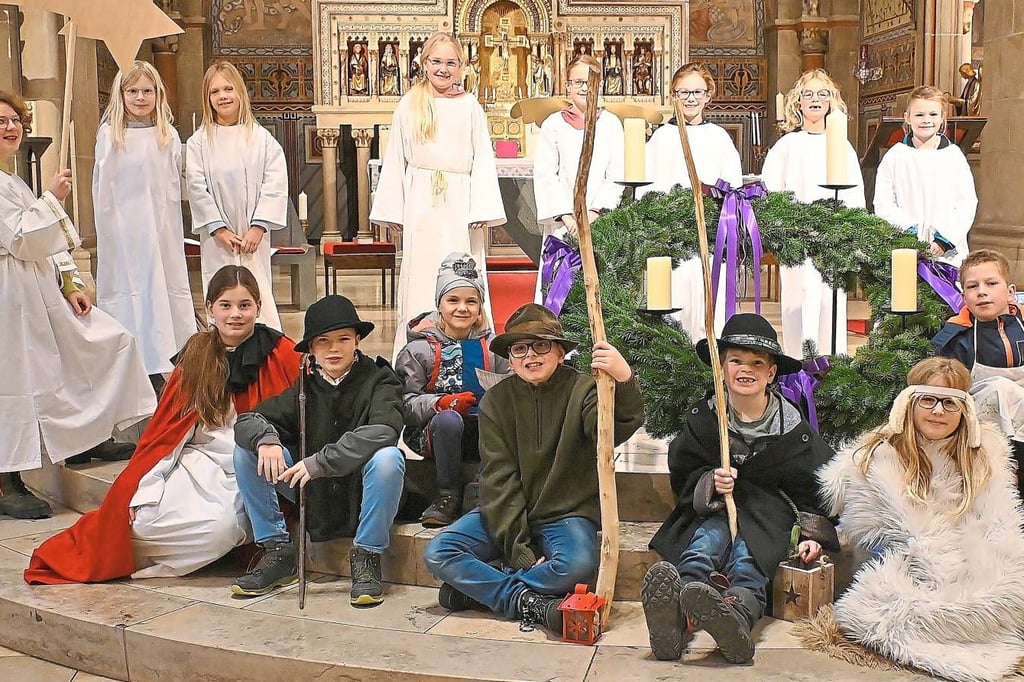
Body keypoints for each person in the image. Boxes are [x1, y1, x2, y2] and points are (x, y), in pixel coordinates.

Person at [25, 265, 300, 583]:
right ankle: (151, 559)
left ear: (258, 307)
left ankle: (176, 560)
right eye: (225, 305)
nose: (235, 314)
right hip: (195, 461)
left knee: (219, 530)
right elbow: (167, 435)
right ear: (210, 308)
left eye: (244, 305)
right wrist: (141, 488)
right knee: (145, 522)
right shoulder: (197, 356)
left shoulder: (282, 354)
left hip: (246, 468)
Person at [423, 304, 644, 633]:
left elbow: (609, 430)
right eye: (519, 348)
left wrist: (623, 380)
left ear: (559, 351)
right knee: (438, 552)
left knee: (580, 565)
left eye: (541, 345)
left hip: (565, 513)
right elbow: (499, 480)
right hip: (505, 513)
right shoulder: (496, 401)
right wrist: (520, 552)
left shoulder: (583, 390)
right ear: (510, 358)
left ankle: (482, 591)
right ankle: (529, 602)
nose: (531, 356)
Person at [643, 313, 838, 663]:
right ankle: (675, 617)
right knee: (703, 545)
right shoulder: (707, 418)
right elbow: (682, 466)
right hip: (718, 506)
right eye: (735, 360)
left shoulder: (793, 431)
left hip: (767, 514)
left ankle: (735, 619)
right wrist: (709, 480)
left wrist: (815, 536)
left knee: (750, 559)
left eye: (756, 363)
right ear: (721, 367)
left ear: (771, 373)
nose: (744, 370)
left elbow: (818, 485)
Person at [817, 357, 1024, 682]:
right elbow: (889, 527)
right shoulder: (882, 453)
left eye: (949, 403)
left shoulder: (985, 453)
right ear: (909, 404)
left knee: (1004, 588)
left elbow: (997, 519)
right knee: (887, 604)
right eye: (928, 400)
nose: (938, 411)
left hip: (962, 546)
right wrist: (937, 562)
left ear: (964, 409)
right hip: (898, 551)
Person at [0, 90, 156, 519]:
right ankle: (6, 480)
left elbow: (39, 241)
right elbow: (19, 238)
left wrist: (70, 280)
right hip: (9, 299)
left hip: (38, 291)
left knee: (106, 342)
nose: (12, 127)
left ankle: (89, 437)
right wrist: (52, 198)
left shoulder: (11, 181)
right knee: (15, 382)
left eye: (16, 120)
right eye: (2, 121)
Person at [231, 295, 405, 606]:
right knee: (247, 451)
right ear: (311, 349)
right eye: (323, 341)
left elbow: (384, 430)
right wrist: (266, 439)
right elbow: (248, 420)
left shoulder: (380, 379)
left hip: (360, 488)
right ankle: (277, 551)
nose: (334, 349)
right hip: (314, 492)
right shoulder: (304, 386)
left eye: (343, 339)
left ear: (357, 341)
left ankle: (367, 556)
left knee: (389, 459)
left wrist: (320, 462)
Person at [370, 32, 506, 357]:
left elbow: (483, 158)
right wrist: (394, 212)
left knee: (462, 274)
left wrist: (481, 209)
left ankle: (470, 355)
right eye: (436, 62)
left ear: (461, 67)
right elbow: (395, 159)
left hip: (460, 204)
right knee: (421, 276)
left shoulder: (471, 107)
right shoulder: (409, 103)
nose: (443, 69)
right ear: (424, 63)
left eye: (450, 63)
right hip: (421, 204)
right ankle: (416, 354)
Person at [93, 60, 196, 391]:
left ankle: (166, 368)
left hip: (161, 233)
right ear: (120, 95)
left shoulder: (168, 135)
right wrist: (113, 231)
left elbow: (171, 189)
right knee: (130, 296)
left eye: (147, 90)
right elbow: (104, 192)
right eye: (133, 91)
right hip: (125, 235)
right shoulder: (110, 136)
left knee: (163, 295)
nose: (140, 97)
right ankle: (132, 369)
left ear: (158, 94)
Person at [394, 253, 509, 527]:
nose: (462, 309)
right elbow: (405, 403)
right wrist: (439, 403)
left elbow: (511, 386)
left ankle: (482, 488)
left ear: (480, 307)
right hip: (435, 432)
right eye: (453, 300)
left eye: (471, 301)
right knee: (448, 421)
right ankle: (447, 494)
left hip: (485, 431)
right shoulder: (417, 350)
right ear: (439, 304)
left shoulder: (495, 348)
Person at [761, 69, 865, 358]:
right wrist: (787, 228)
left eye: (823, 94)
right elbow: (771, 192)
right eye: (808, 94)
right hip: (797, 241)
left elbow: (855, 196)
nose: (815, 99)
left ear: (832, 102)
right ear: (798, 103)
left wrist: (847, 233)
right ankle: (798, 367)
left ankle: (832, 366)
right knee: (799, 304)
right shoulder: (786, 146)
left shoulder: (841, 146)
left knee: (830, 303)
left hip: (831, 240)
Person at [637, 62, 743, 341]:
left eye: (698, 91)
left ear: (709, 95)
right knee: (674, 308)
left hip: (710, 239)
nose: (691, 98)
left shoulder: (719, 138)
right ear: (673, 95)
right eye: (683, 92)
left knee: (710, 311)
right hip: (671, 241)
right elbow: (646, 192)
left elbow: (734, 189)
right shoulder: (660, 139)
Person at [187, 60, 287, 331]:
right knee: (221, 290)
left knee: (257, 291)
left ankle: (264, 350)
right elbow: (196, 187)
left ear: (240, 93)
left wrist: (258, 227)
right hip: (219, 239)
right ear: (207, 98)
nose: (223, 96)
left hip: (252, 238)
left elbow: (275, 183)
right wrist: (217, 229)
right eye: (215, 91)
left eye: (228, 88)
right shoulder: (199, 143)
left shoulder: (261, 139)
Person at [533, 53, 624, 300]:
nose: (584, 87)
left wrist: (595, 212)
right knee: (559, 288)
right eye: (578, 82)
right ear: (568, 85)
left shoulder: (611, 124)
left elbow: (617, 173)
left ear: (600, 84)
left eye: (590, 81)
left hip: (600, 220)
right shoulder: (553, 124)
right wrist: (567, 216)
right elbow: (545, 174)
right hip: (564, 224)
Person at [931, 249, 1024, 491]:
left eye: (991, 283)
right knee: (1000, 389)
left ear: (1011, 292)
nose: (982, 291)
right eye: (972, 286)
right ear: (964, 296)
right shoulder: (957, 338)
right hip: (985, 429)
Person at [874, 86, 977, 267]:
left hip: (947, 253)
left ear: (942, 117)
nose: (926, 120)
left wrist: (943, 239)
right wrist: (910, 234)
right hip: (906, 249)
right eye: (919, 115)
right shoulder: (895, 156)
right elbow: (884, 204)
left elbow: (966, 203)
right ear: (907, 117)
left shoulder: (954, 156)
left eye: (933, 115)